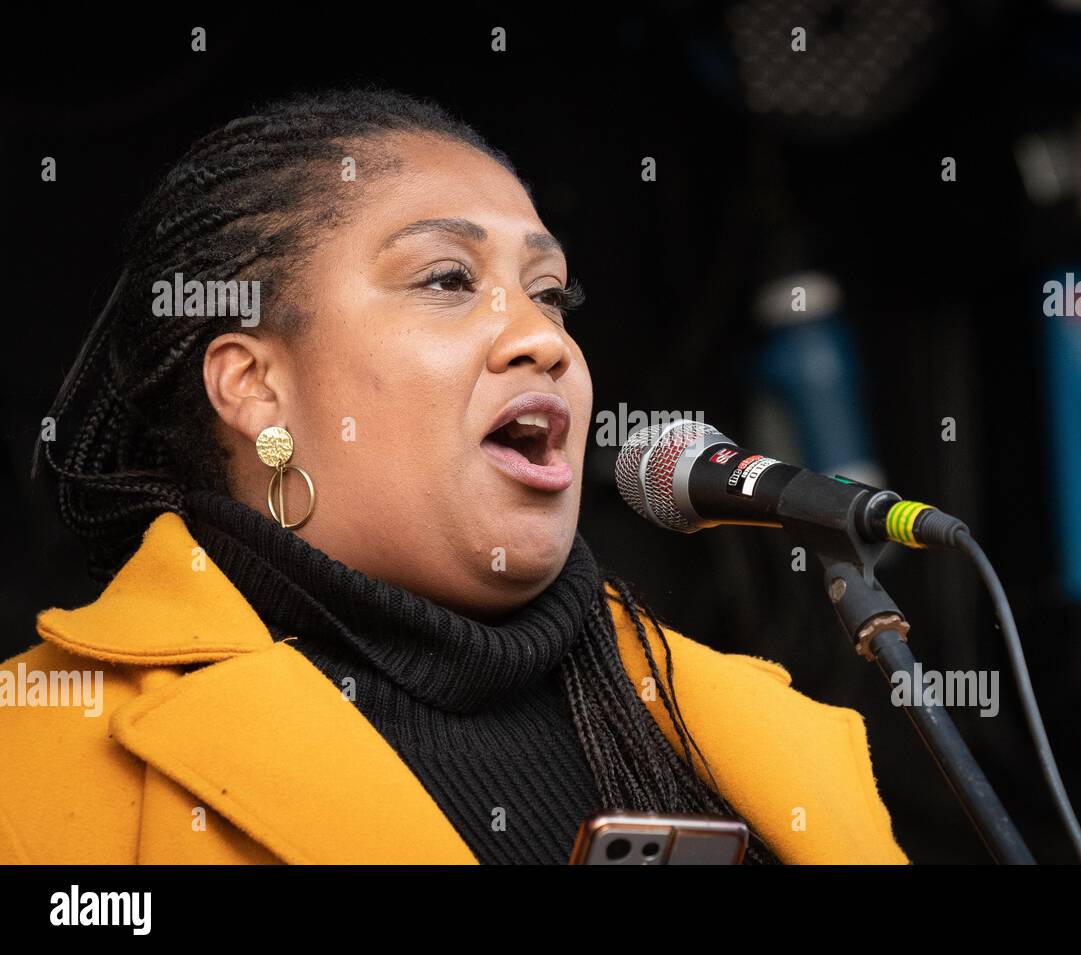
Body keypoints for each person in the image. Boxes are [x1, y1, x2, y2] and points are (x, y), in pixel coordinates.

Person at [0, 87, 908, 865]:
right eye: (446, 278)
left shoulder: (749, 725)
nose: (544, 338)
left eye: (549, 293)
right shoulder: (36, 750)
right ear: (256, 387)